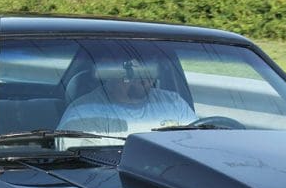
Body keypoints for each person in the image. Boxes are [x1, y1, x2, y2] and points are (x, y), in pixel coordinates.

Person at [58, 56, 195, 137]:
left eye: (146, 68)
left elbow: (197, 143)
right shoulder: (83, 114)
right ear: (110, 72)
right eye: (131, 70)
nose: (142, 76)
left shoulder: (173, 103)